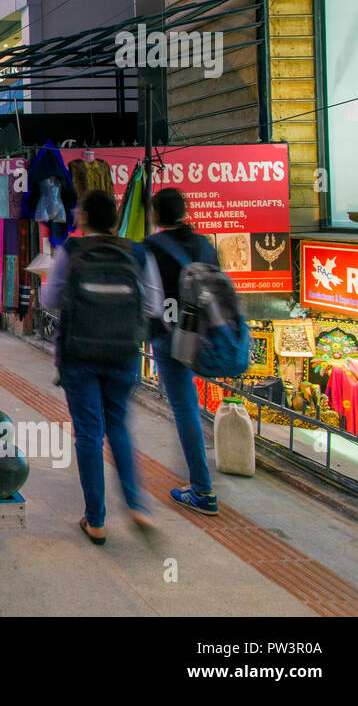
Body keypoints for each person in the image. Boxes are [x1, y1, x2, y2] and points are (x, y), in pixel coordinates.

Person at [41, 189, 164, 545]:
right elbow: (154, 305)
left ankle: (95, 520)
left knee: (89, 435)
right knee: (119, 428)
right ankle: (138, 506)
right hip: (124, 355)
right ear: (115, 220)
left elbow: (50, 299)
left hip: (79, 356)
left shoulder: (72, 251)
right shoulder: (138, 252)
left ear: (83, 219)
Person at [143, 187, 221, 516]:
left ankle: (202, 489)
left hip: (170, 337)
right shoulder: (204, 244)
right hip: (205, 335)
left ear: (156, 214)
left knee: (186, 407)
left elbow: (146, 293)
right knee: (190, 403)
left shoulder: (150, 247)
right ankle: (199, 481)